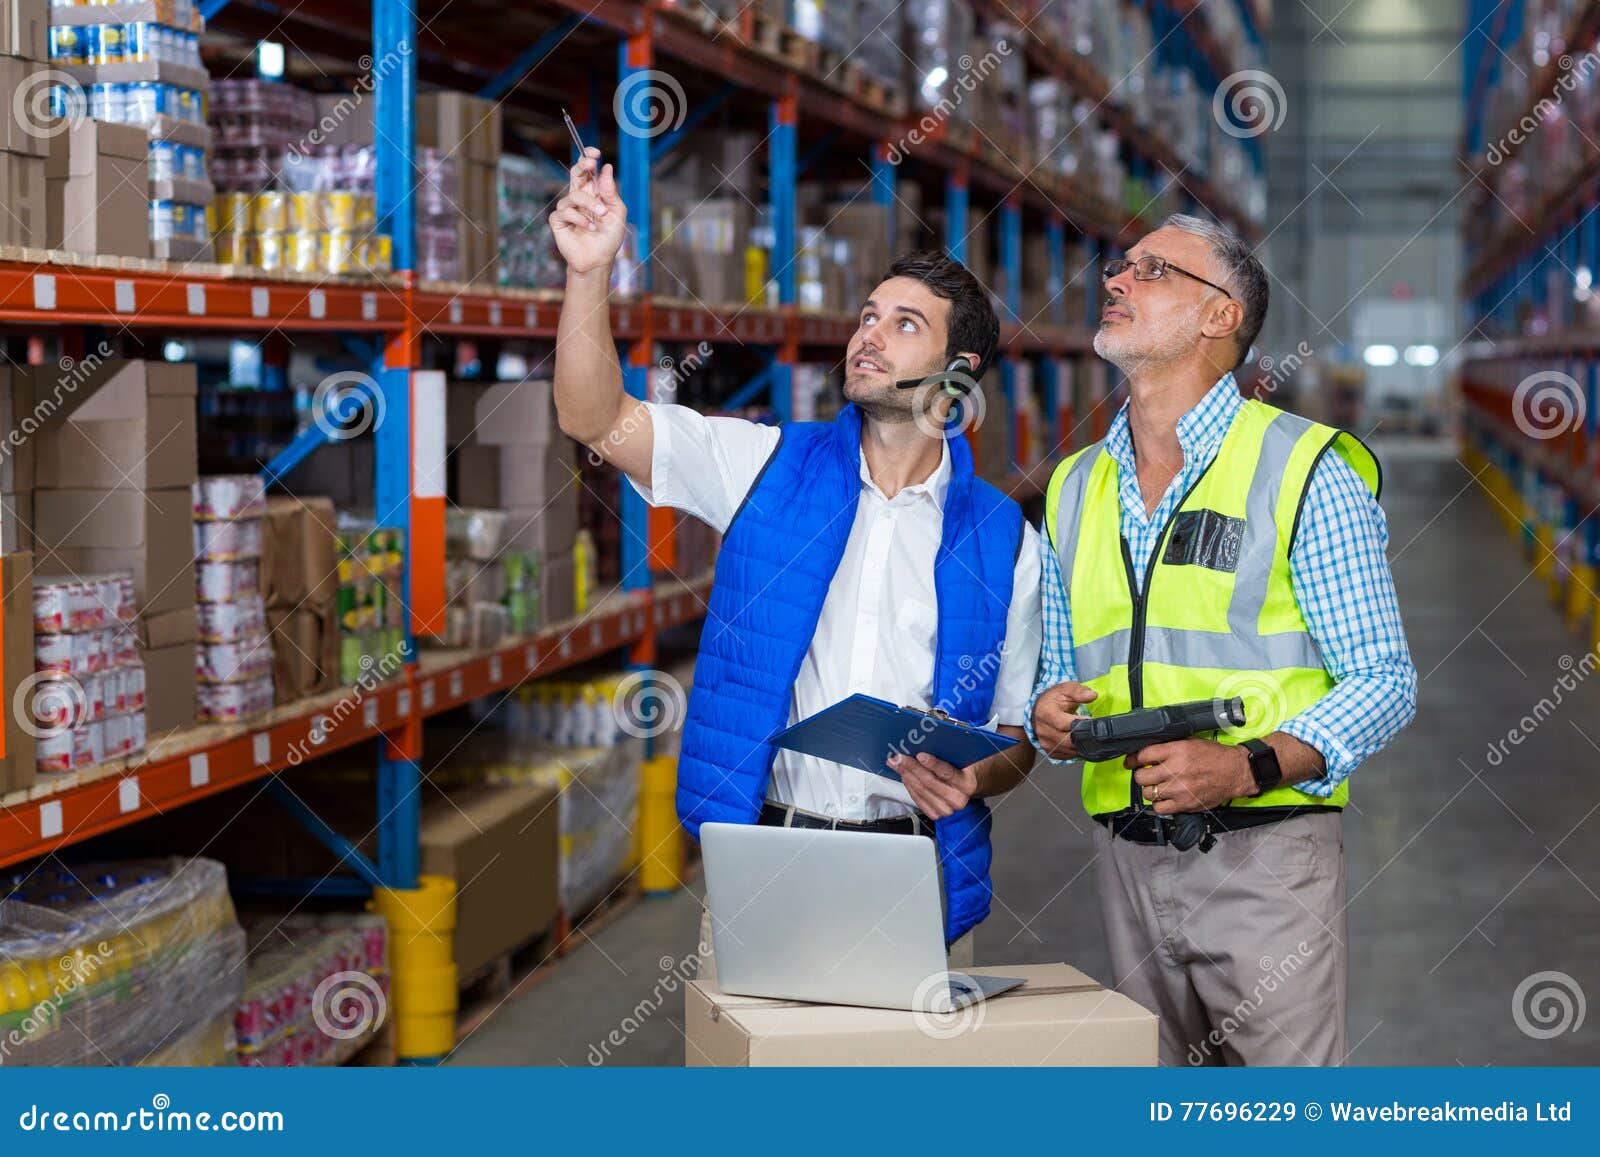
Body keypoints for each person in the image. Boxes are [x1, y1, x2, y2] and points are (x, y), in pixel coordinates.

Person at [550, 147, 1042, 978]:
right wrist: (590, 274)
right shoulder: (763, 465)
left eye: (904, 325)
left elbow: (1017, 735)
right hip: (763, 853)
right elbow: (594, 416)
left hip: (916, 872)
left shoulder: (1006, 541)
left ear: (957, 378)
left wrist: (973, 775)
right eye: (868, 316)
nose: (869, 337)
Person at [1029, 214, 1417, 1066]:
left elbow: (1384, 679)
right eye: (1121, 266)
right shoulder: (1073, 486)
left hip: (1265, 853)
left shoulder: (1303, 467)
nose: (1117, 281)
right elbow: (1060, 672)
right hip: (1125, 854)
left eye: (1154, 270)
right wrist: (1047, 716)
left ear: (1219, 318)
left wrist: (1248, 764)